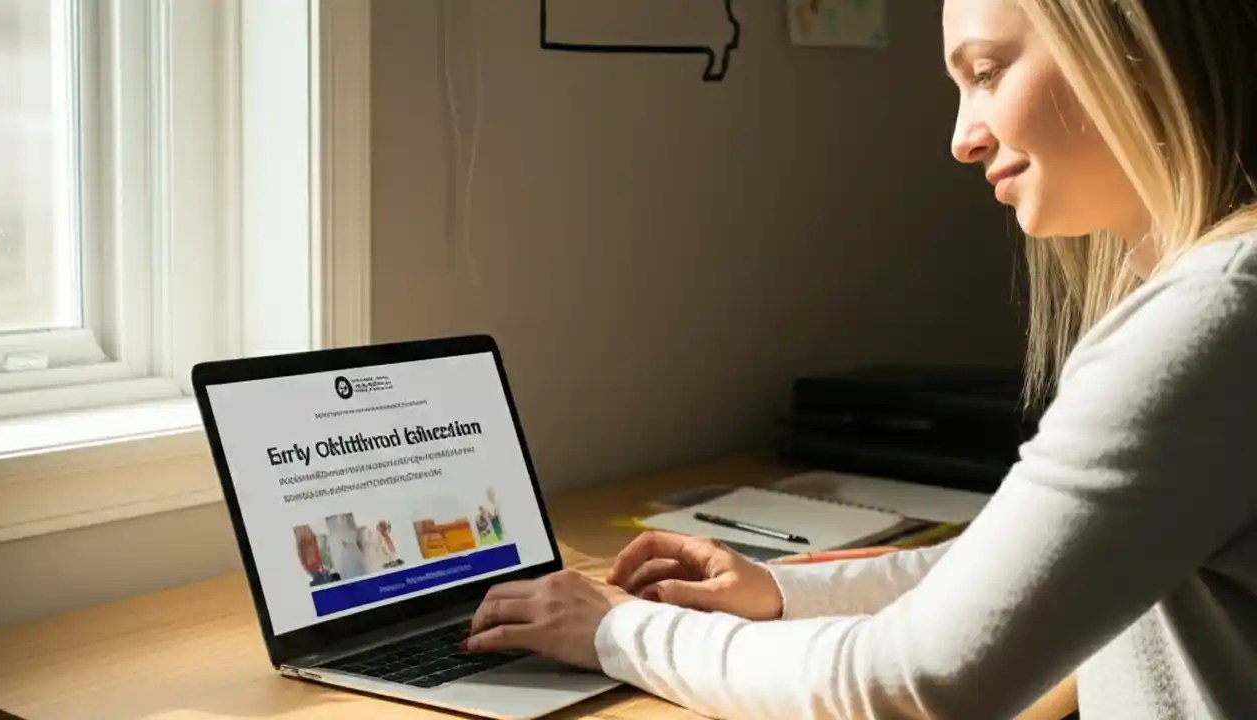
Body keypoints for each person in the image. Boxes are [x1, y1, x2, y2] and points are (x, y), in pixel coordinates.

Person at [463, 0, 1257, 717]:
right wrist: (778, 591)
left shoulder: (1215, 310)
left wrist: (619, 630)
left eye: (985, 73)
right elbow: (1014, 578)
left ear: (1128, 42)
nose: (962, 138)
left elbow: (911, 682)